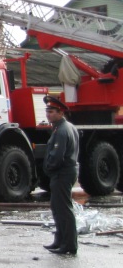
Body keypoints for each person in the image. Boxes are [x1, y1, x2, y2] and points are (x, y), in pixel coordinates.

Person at [42, 95, 80, 256]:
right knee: (57, 207)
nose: (48, 114)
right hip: (64, 172)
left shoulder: (63, 130)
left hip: (62, 172)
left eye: (51, 111)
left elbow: (57, 156)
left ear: (60, 112)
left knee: (63, 208)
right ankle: (60, 240)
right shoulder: (63, 127)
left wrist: (49, 169)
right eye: (47, 111)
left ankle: (69, 245)